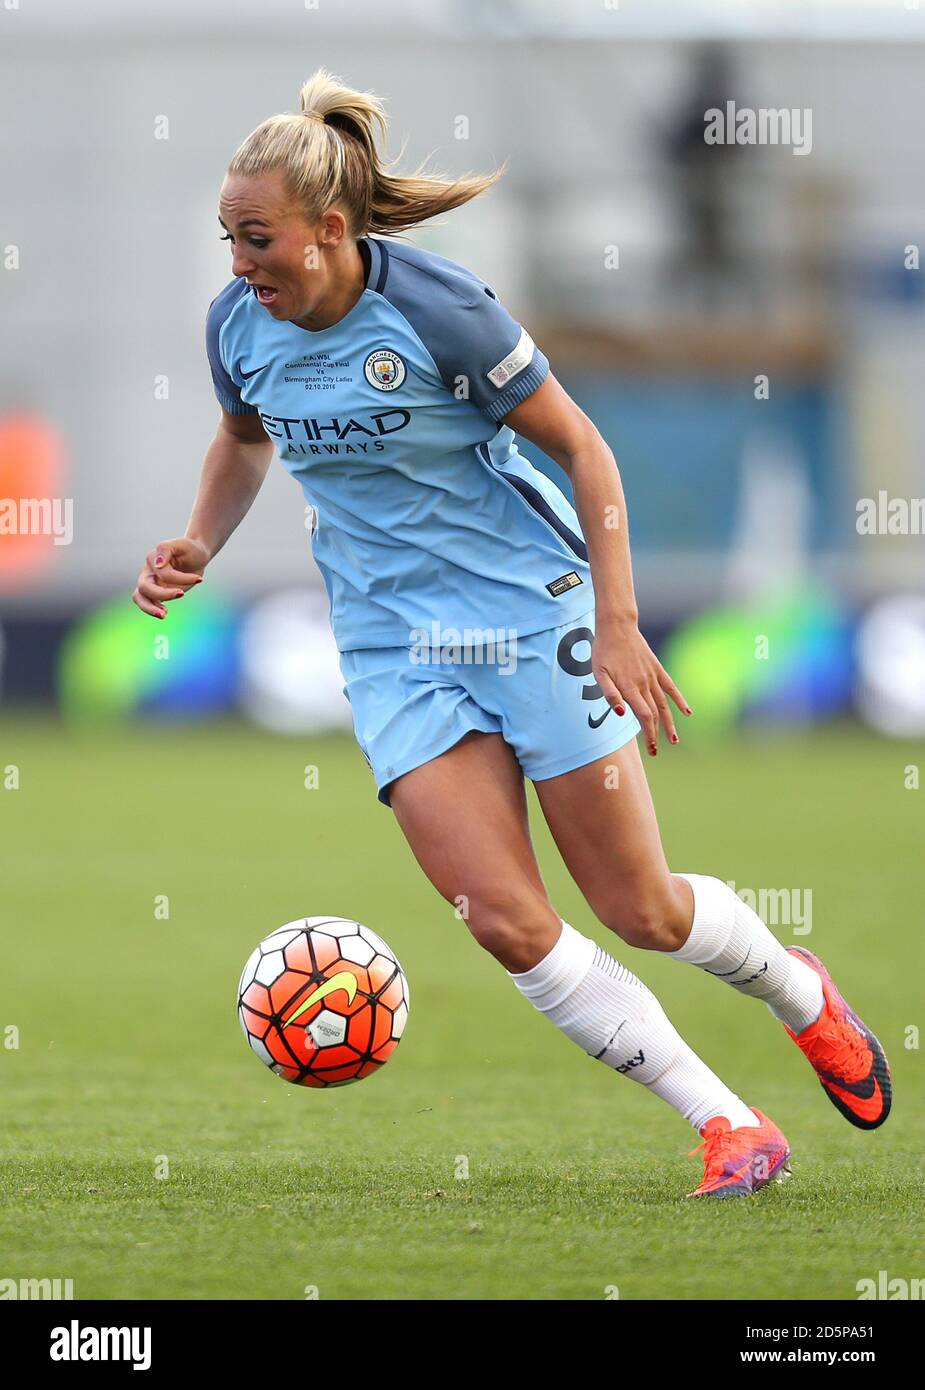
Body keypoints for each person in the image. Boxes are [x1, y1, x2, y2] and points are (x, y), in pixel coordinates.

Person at [132, 69, 891, 1198]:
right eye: (227, 239)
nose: (238, 264)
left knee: (640, 909)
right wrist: (199, 540)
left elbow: (584, 448)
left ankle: (798, 993)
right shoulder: (240, 324)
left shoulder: (439, 310)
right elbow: (243, 440)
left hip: (530, 612)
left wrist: (618, 620)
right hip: (393, 649)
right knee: (500, 917)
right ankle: (728, 1124)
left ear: (329, 230)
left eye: (256, 239)